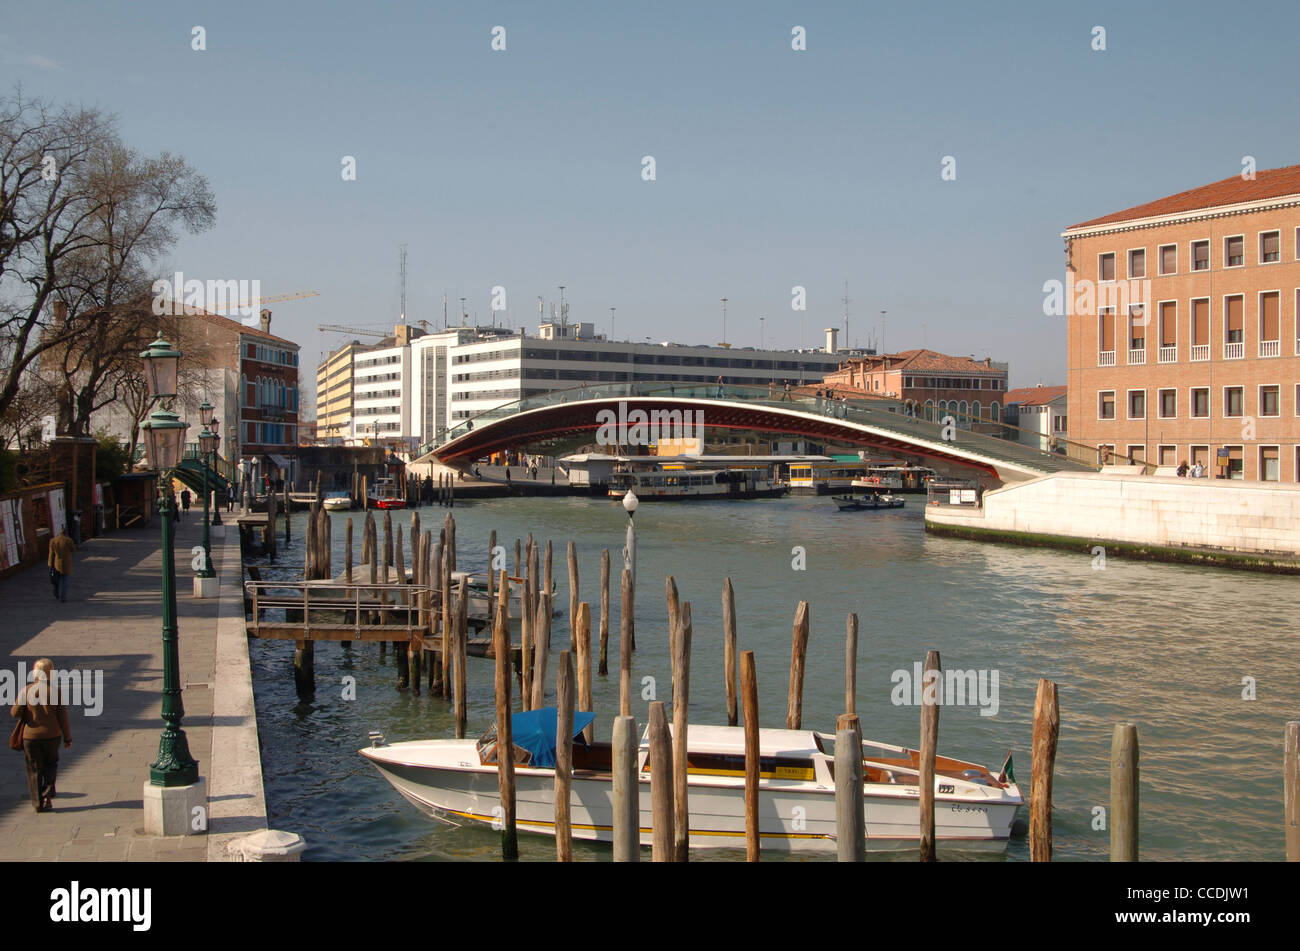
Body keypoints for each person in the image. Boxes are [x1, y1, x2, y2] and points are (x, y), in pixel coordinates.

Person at [10, 658, 72, 813]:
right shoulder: (56, 692)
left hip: (30, 737)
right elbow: (63, 718)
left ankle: (37, 801)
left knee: (34, 768)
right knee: (51, 765)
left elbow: (14, 713)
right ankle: (47, 795)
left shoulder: (27, 690)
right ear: (50, 673)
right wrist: (67, 738)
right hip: (52, 736)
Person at [47, 526, 74, 603]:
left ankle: (56, 592)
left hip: (56, 563)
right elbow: (73, 549)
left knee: (56, 580)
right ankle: (63, 597)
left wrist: (49, 563)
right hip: (66, 564)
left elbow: (51, 553)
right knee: (64, 581)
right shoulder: (68, 540)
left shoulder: (53, 541)